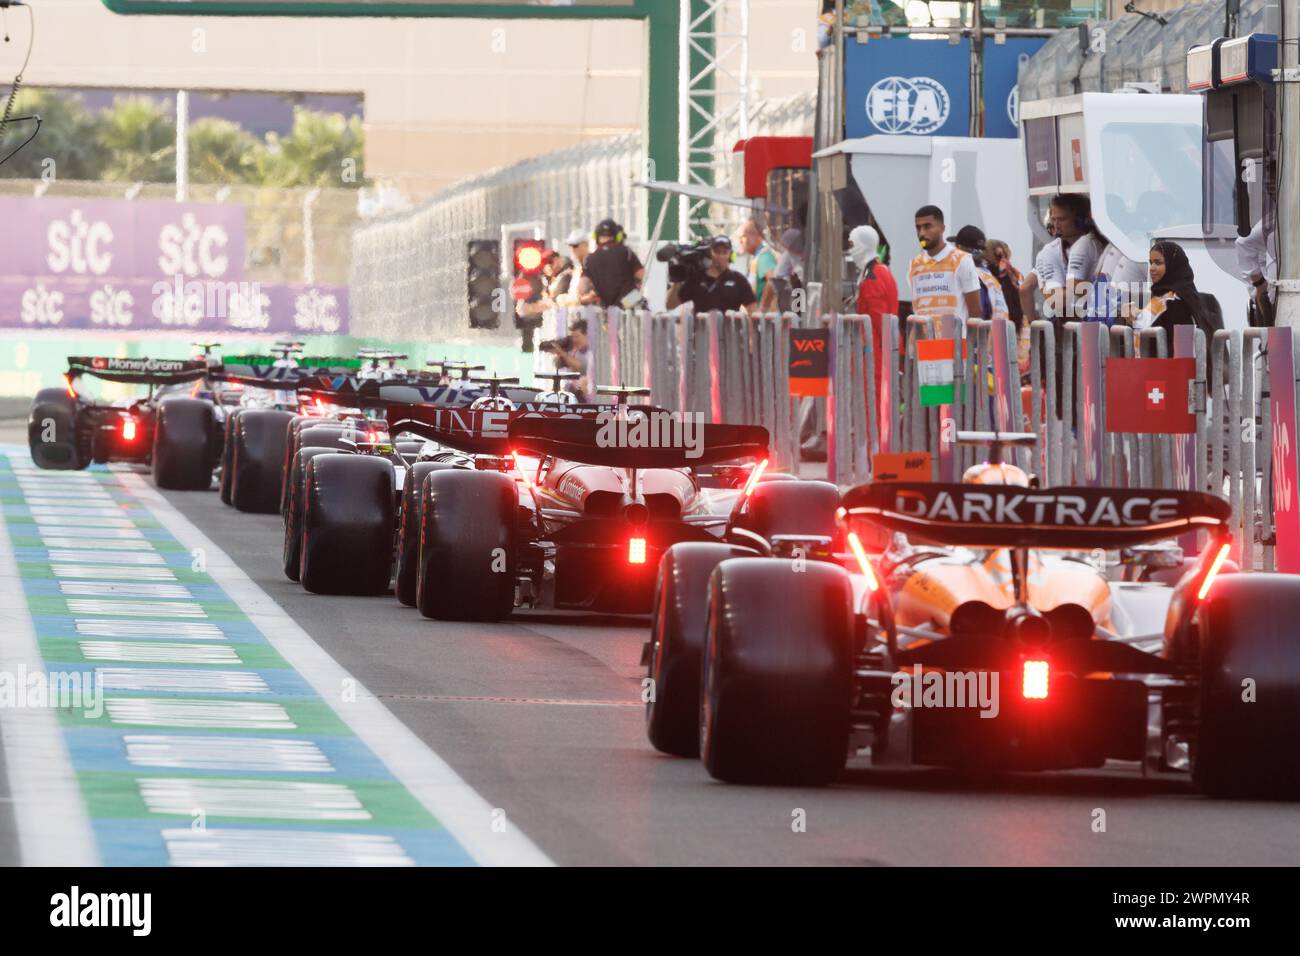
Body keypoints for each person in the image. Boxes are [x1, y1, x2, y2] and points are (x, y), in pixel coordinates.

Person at [848, 224, 899, 405]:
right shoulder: (882, 271)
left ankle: (874, 435)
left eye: (853, 244)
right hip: (880, 347)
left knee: (873, 400)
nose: (851, 250)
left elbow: (877, 318)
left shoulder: (872, 277)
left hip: (874, 350)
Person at [907, 205, 982, 323]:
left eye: (927, 226)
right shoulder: (915, 263)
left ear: (942, 228)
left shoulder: (962, 260)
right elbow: (918, 309)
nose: (922, 233)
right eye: (918, 227)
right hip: (923, 340)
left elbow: (975, 311)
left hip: (954, 339)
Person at [1124, 240, 1210, 336]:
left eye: (1158, 263)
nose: (1151, 268)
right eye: (1151, 262)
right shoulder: (1161, 297)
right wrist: (1134, 319)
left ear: (1173, 266)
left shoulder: (1177, 301)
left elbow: (1184, 346)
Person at [666, 235, 757, 314]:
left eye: (724, 252)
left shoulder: (738, 280)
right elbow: (670, 305)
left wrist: (751, 332)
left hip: (728, 332)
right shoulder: (696, 279)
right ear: (710, 253)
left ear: (730, 255)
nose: (720, 256)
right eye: (717, 251)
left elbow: (752, 309)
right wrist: (677, 282)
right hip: (702, 331)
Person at [577, 218, 645, 309]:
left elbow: (582, 289)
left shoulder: (589, 260)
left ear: (596, 237)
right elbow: (643, 276)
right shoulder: (627, 252)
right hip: (628, 306)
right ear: (617, 236)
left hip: (607, 310)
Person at [951, 225, 1009, 321]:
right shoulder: (989, 276)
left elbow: (977, 314)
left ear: (960, 248)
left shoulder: (971, 275)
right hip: (998, 333)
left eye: (956, 247)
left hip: (975, 333)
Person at [541, 316, 591, 400]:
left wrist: (561, 352)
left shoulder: (592, 351)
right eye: (573, 337)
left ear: (586, 335)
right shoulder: (576, 352)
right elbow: (558, 365)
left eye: (577, 336)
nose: (574, 340)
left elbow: (582, 368)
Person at [761, 228, 805, 313]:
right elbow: (776, 278)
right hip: (797, 294)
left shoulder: (815, 253)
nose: (789, 248)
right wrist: (763, 310)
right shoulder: (789, 254)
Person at [984, 239, 1024, 327]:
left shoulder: (989, 273)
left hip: (999, 320)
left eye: (985, 250)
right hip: (1015, 320)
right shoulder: (1014, 272)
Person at [738, 218, 778, 302]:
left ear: (755, 235)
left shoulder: (763, 256)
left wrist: (762, 308)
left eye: (743, 236)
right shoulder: (759, 256)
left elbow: (773, 281)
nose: (740, 241)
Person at [555, 228, 590, 307]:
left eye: (575, 245)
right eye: (570, 246)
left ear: (585, 245)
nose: (573, 249)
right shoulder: (577, 270)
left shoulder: (593, 265)